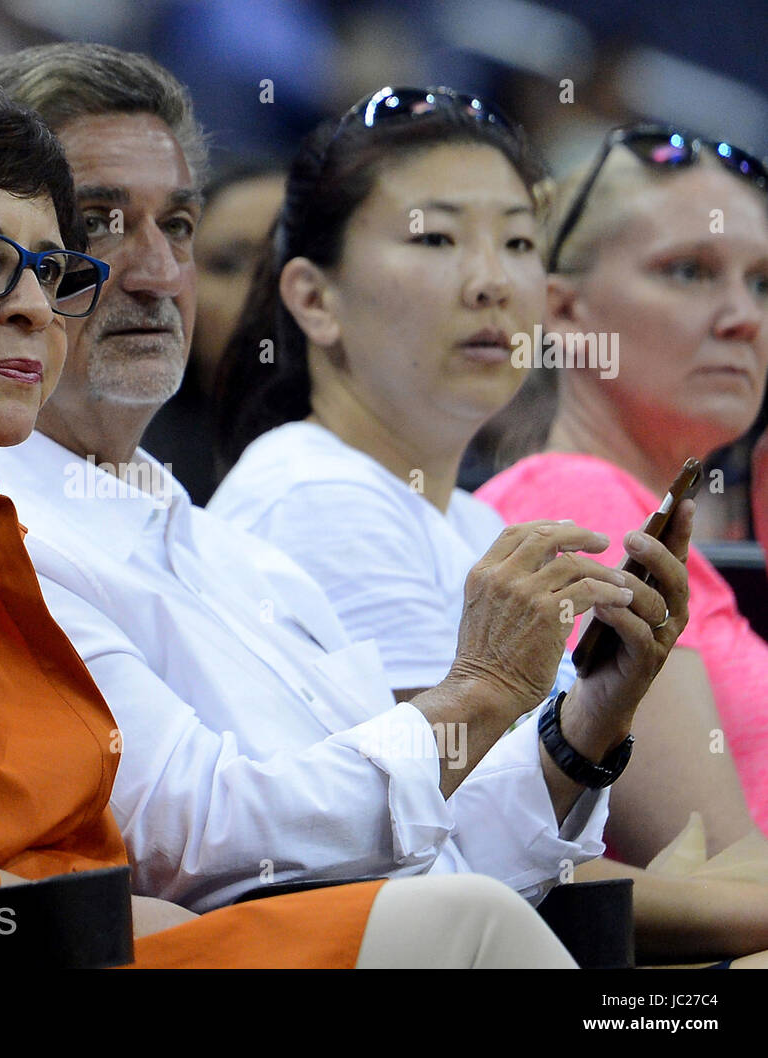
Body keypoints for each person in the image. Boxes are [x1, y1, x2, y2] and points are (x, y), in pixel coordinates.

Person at [0, 70, 580, 969]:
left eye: (47, 270)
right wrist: (111, 914)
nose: (37, 309)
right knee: (466, 931)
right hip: (45, 956)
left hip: (93, 939)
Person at [0, 49, 690, 920]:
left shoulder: (240, 560)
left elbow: (440, 852)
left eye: (180, 226)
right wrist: (480, 692)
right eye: (99, 221)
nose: (157, 271)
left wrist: (582, 730)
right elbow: (188, 841)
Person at [210, 98, 768, 962]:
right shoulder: (316, 495)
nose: (491, 281)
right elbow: (426, 859)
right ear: (314, 299)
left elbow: (498, 851)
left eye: (515, 241)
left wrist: (592, 719)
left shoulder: (462, 514)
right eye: (437, 239)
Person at [475, 123, 768, 840]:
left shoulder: (653, 514)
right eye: (688, 271)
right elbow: (706, 866)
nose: (743, 319)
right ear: (564, 309)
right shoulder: (578, 503)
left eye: (763, 283)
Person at [142, 166, 285, 503]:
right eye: (229, 264)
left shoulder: (402, 449)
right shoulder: (133, 467)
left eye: (288, 262)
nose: (263, 291)